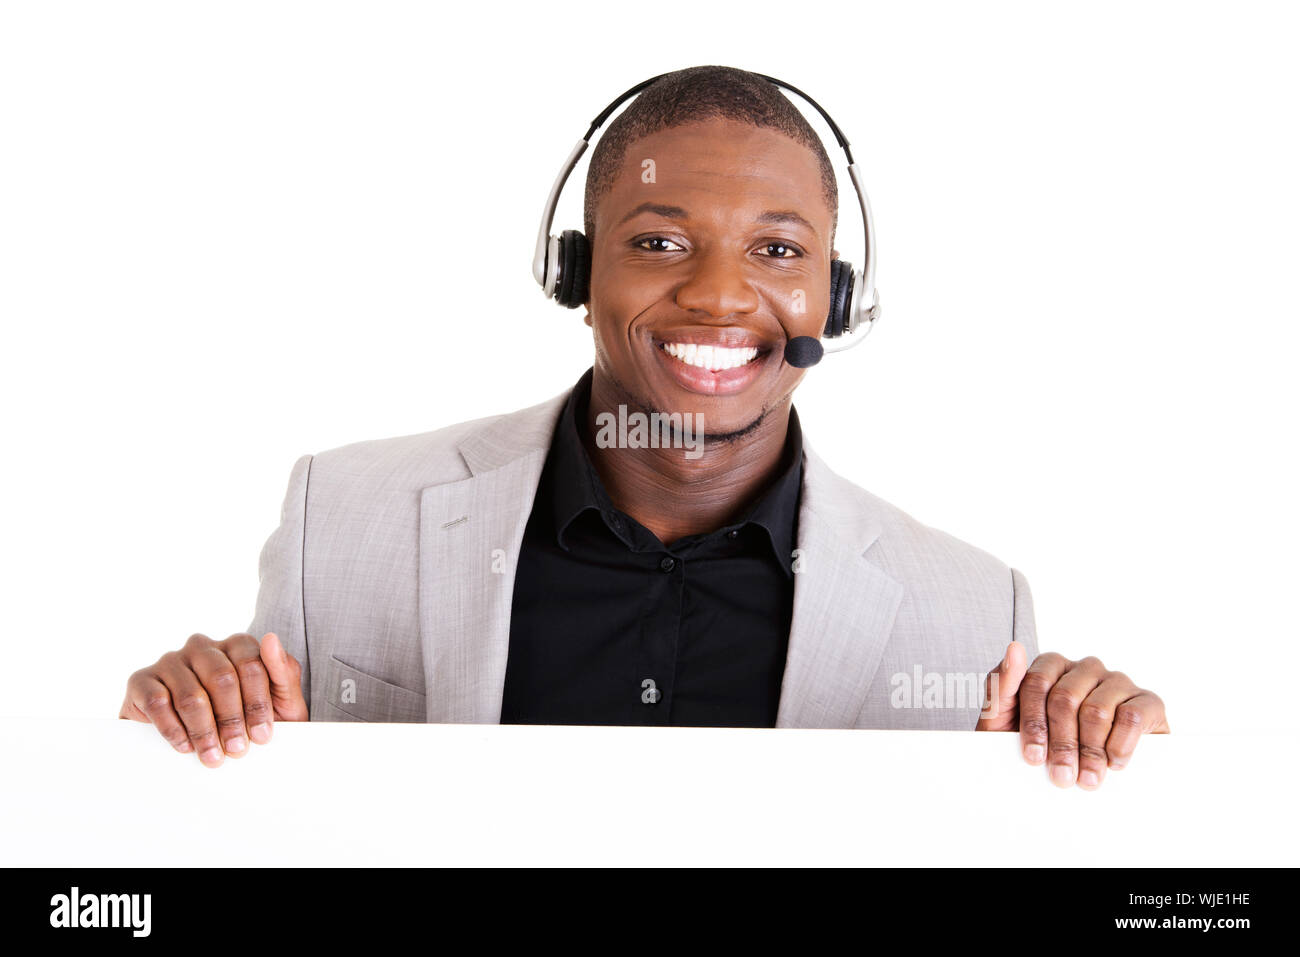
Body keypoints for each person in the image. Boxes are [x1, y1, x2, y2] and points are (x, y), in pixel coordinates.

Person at [120, 65, 1168, 788]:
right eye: (661, 241)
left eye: (778, 251)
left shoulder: (975, 609)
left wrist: (1113, 780)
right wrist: (185, 740)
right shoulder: (342, 516)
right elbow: (258, 826)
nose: (719, 299)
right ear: (575, 274)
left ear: (835, 301)